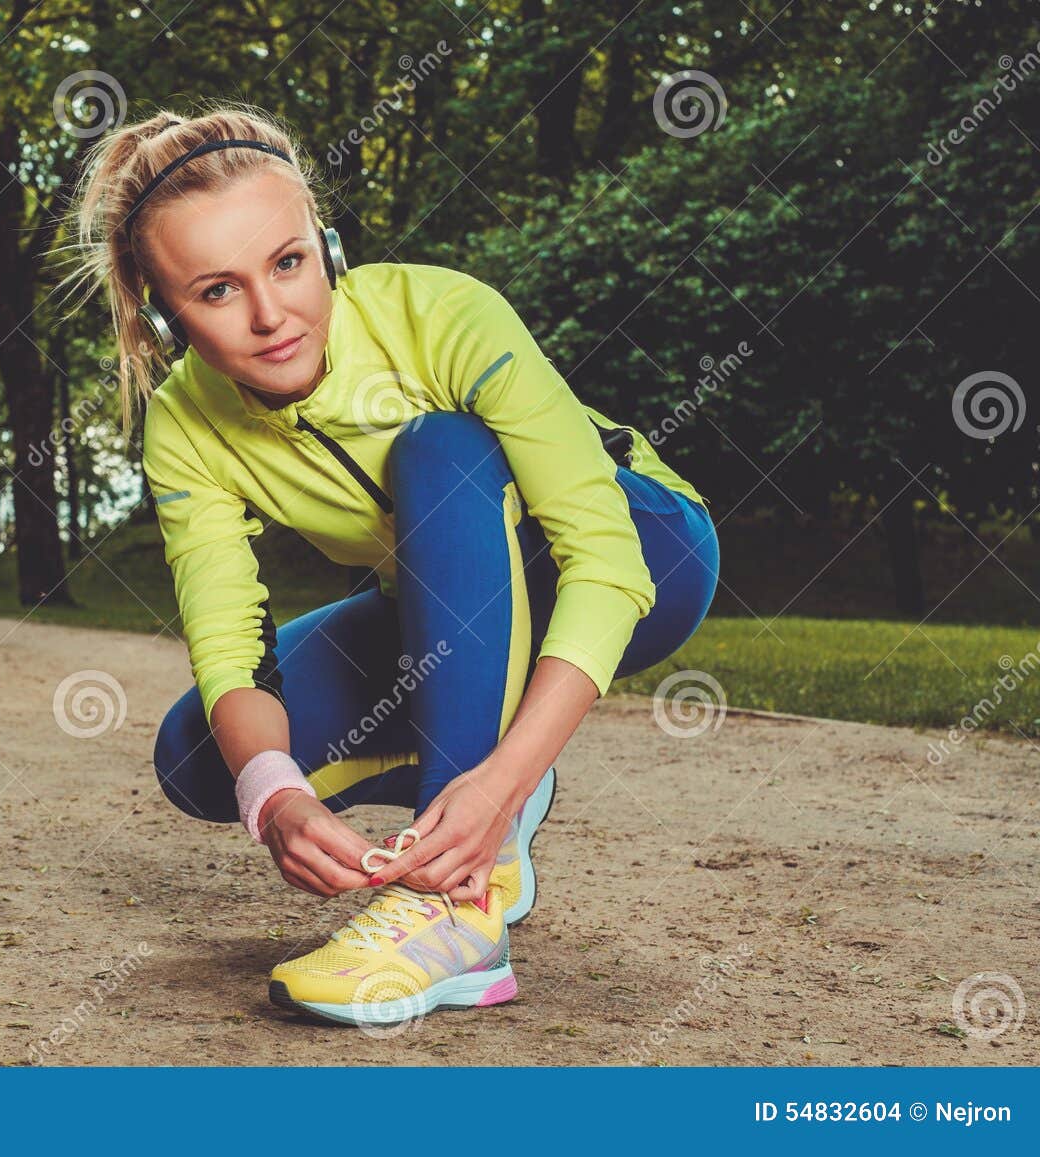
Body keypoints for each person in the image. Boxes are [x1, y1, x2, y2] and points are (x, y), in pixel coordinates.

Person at [58, 102, 719, 1028]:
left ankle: (462, 905)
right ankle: (474, 782)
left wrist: (504, 781)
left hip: (643, 547)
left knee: (439, 449)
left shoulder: (441, 311)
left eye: (287, 263)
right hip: (450, 606)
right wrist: (277, 798)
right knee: (207, 760)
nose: (270, 314)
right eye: (215, 290)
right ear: (162, 317)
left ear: (325, 249)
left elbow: (603, 558)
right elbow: (230, 648)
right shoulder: (184, 424)